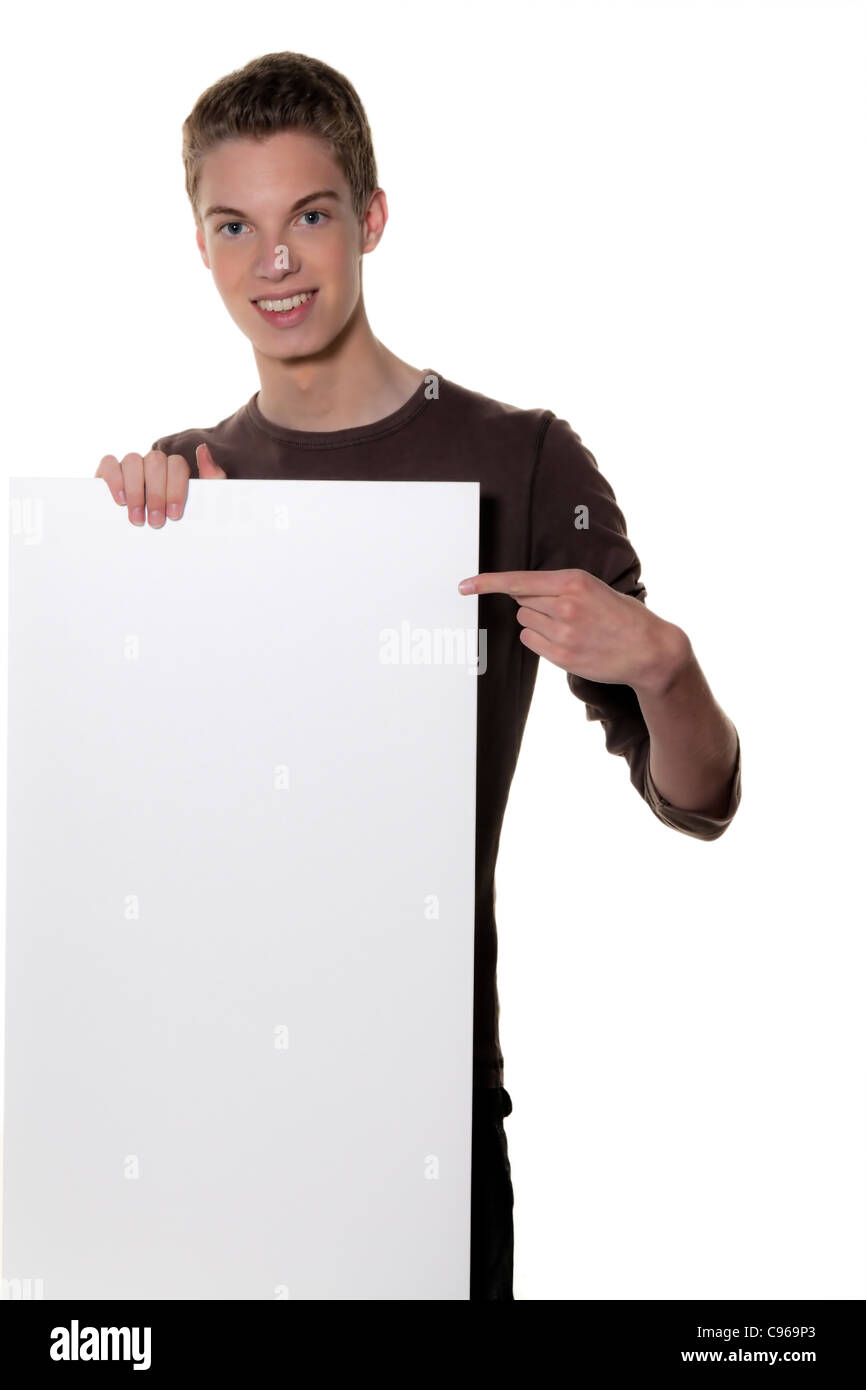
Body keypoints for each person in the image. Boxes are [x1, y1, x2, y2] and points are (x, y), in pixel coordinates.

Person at [96, 51, 742, 1301]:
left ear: (370, 219)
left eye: (310, 217)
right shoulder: (182, 488)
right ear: (201, 247)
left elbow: (700, 798)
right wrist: (114, 574)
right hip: (203, 1110)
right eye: (236, 226)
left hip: (429, 1114)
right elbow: (131, 829)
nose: (273, 261)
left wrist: (664, 665)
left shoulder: (521, 460)